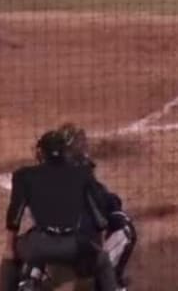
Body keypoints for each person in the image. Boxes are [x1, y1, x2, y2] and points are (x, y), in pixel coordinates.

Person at [0, 130, 121, 291]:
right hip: (73, 246)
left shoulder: (24, 175)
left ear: (40, 153)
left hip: (38, 246)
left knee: (12, 254)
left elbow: (14, 217)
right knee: (103, 262)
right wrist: (98, 249)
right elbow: (99, 218)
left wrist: (10, 249)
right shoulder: (82, 174)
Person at [57, 123, 137, 288]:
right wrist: (115, 209)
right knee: (126, 230)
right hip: (82, 257)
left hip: (53, 252)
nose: (84, 144)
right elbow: (102, 204)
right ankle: (108, 282)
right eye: (78, 143)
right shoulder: (82, 175)